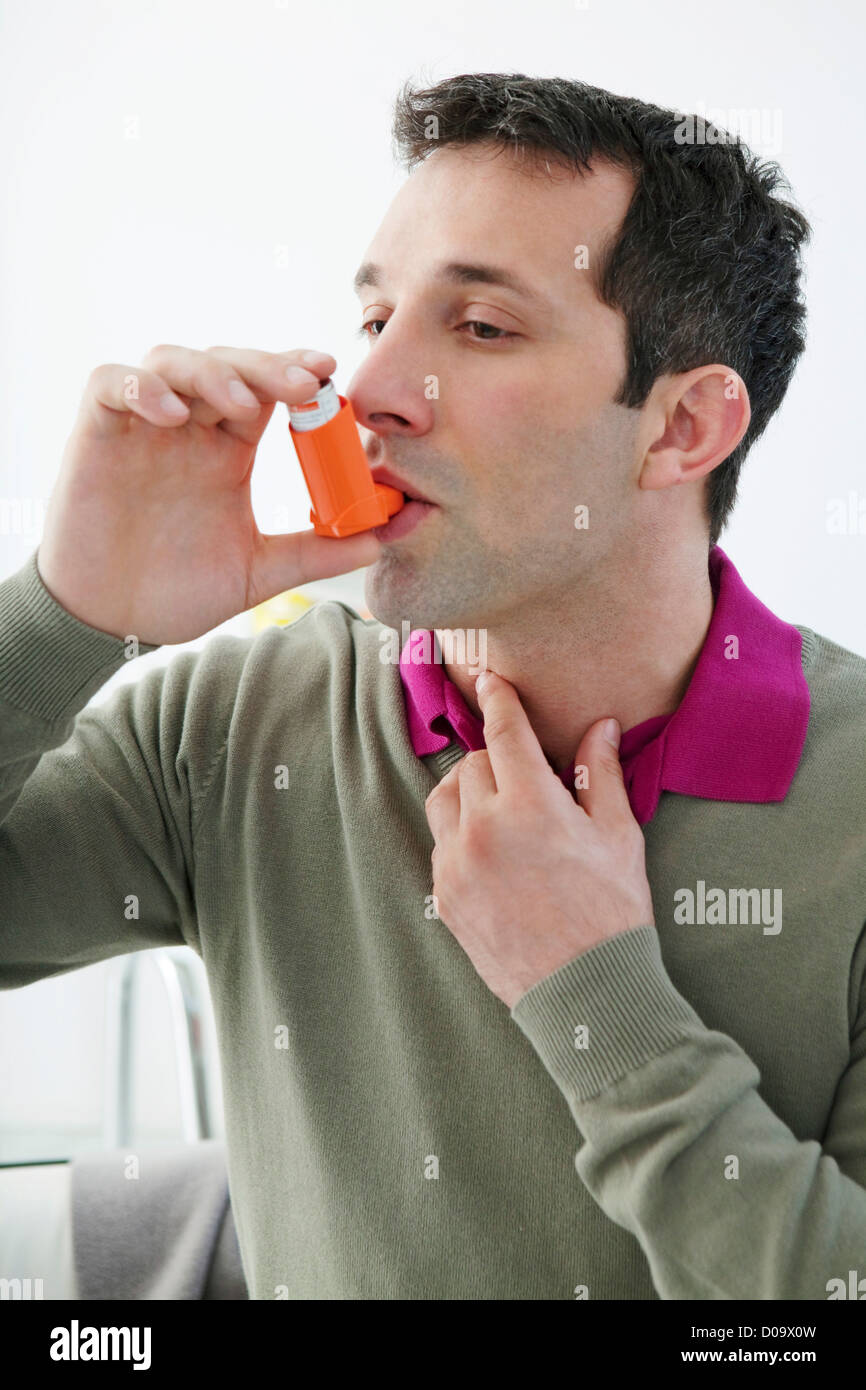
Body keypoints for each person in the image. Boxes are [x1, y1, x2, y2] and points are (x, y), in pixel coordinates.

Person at [2, 72, 864, 1301]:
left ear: (682, 428)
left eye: (479, 328)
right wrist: (61, 610)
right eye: (374, 319)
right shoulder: (237, 725)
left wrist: (598, 997)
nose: (363, 395)